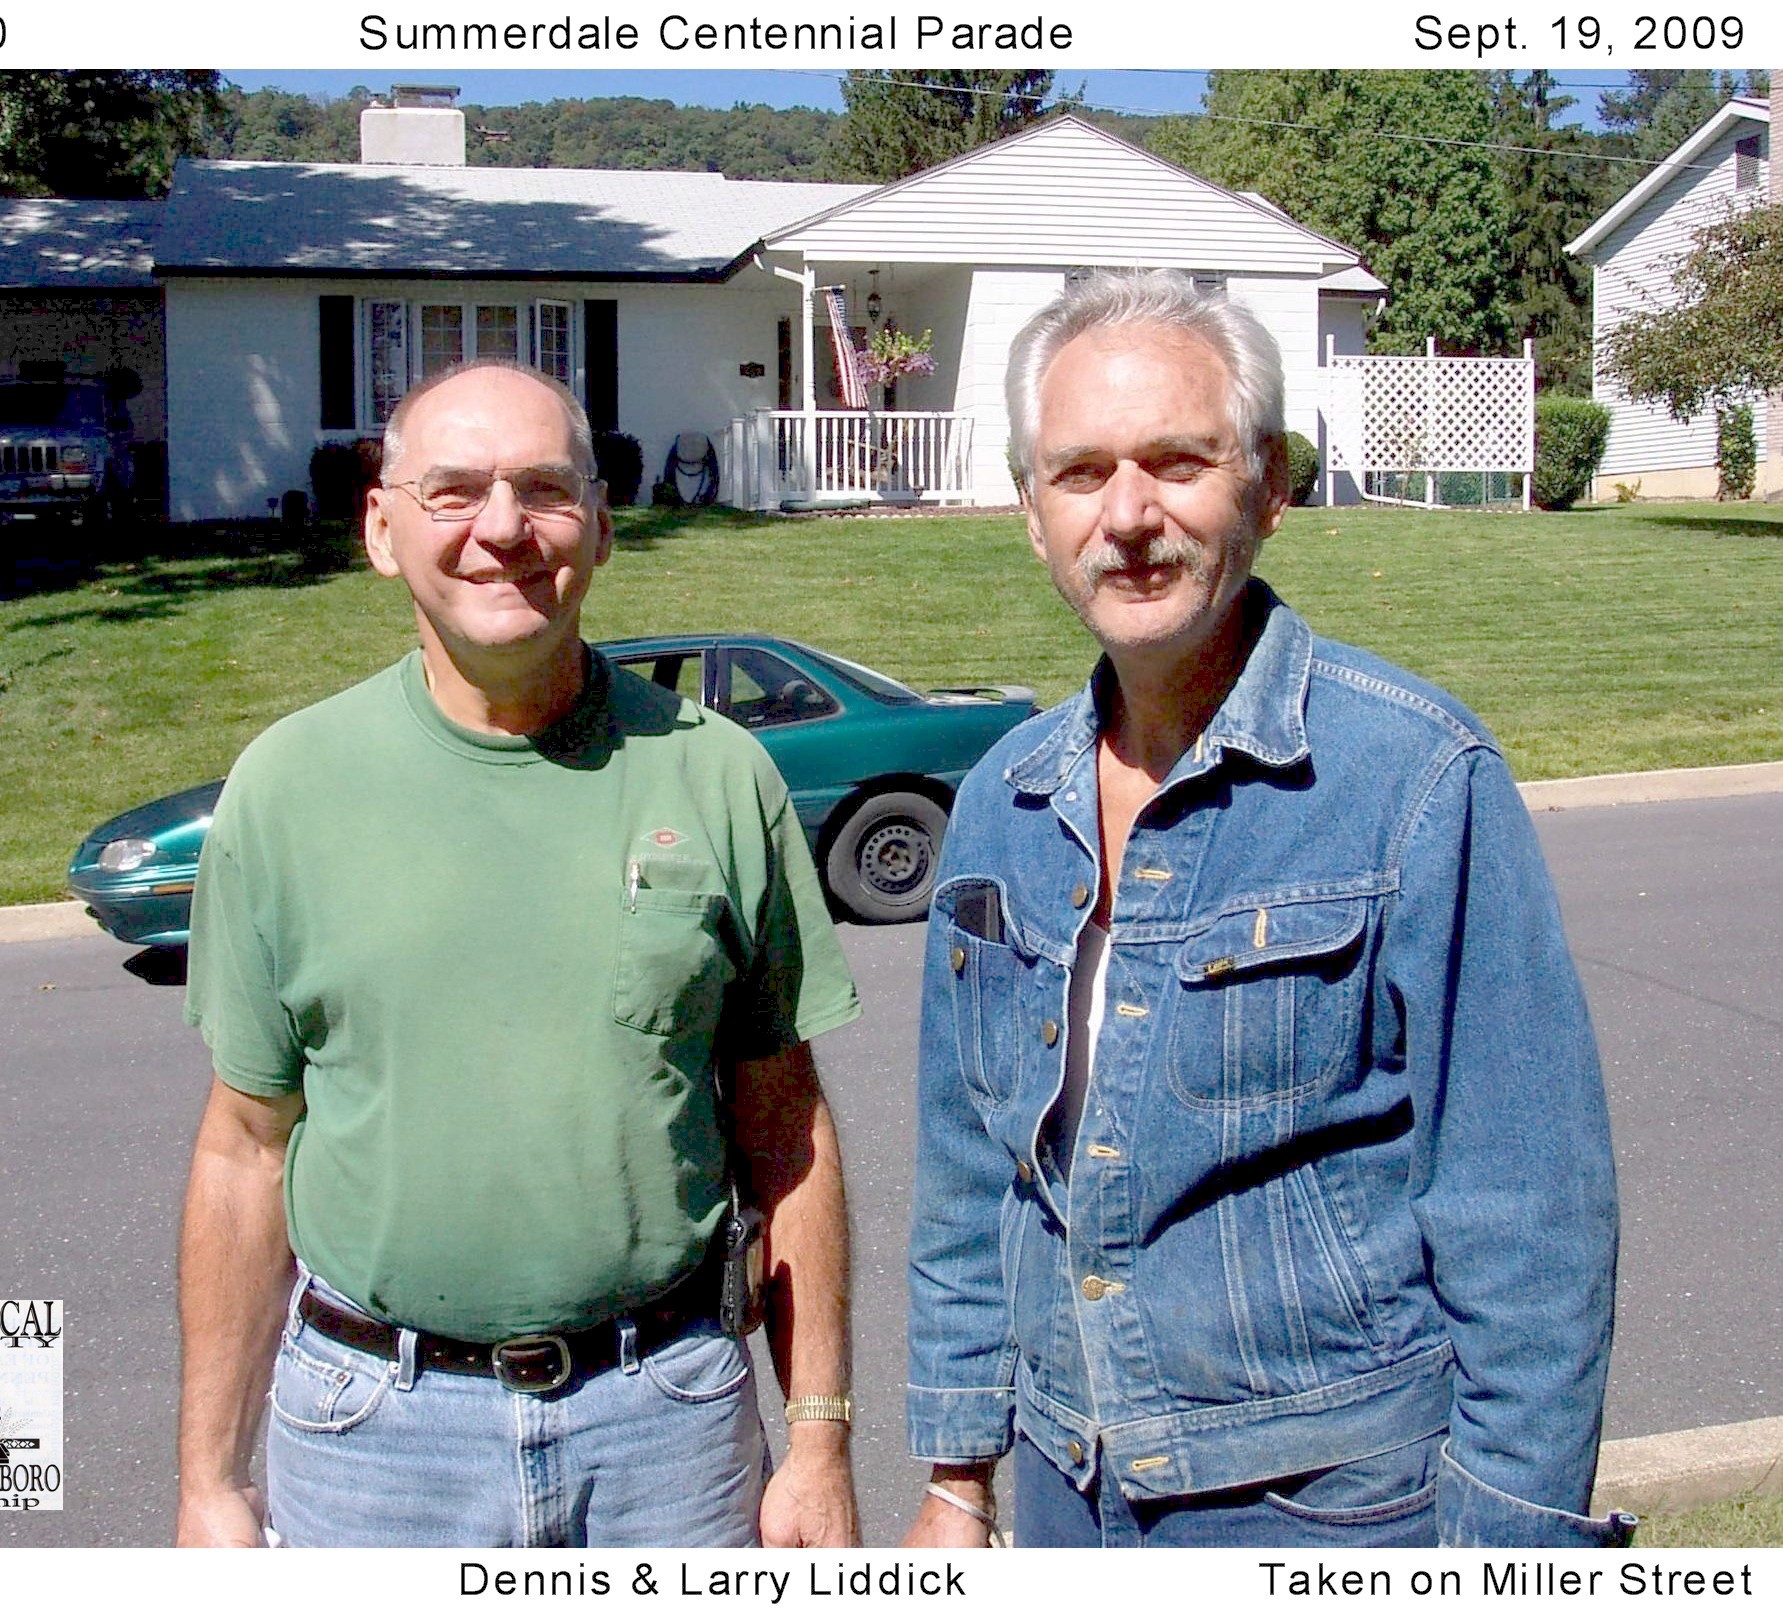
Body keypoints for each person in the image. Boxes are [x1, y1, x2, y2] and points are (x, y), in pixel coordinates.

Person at [903, 271, 1631, 1550]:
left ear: (1269, 486)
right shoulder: (998, 806)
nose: (1127, 516)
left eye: (1178, 461)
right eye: (1078, 474)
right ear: (1030, 514)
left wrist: (1510, 1546)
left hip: (1332, 1505)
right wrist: (957, 1478)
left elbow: (1525, 1216)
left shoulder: (1412, 781)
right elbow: (975, 1178)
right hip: (1067, 1489)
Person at [176, 361, 862, 1549]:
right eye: (453, 493)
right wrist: (206, 1479)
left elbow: (785, 1130)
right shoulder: (286, 791)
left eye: (542, 489)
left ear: (598, 527)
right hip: (371, 1439)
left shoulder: (714, 774)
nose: (502, 528)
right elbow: (244, 1153)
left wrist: (818, 1442)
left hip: (668, 1425)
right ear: (381, 530)